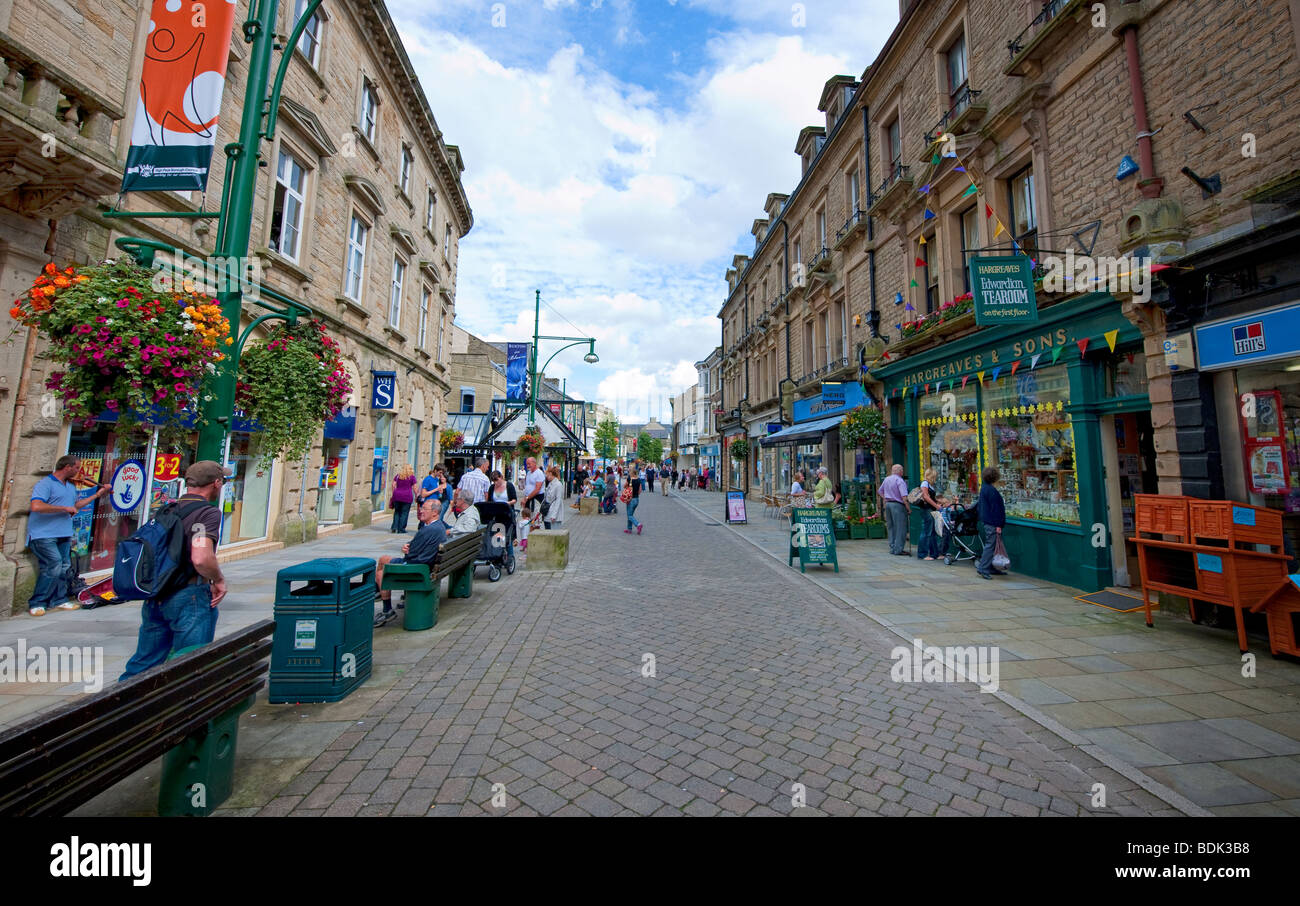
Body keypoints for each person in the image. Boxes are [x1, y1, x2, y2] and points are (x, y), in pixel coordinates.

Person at [120, 461, 228, 679]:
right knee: (190, 664)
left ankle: (118, 706)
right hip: (189, 596)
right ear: (216, 483)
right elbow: (200, 557)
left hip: (157, 594)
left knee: (144, 662)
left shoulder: (166, 509)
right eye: (222, 481)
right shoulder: (207, 513)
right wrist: (218, 579)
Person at [27, 455, 109, 616]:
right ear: (67, 467)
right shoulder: (45, 484)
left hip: (64, 532)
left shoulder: (70, 486)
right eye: (77, 468)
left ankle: (59, 599)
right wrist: (64, 509)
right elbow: (36, 505)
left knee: (64, 567)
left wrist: (97, 495)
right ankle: (37, 602)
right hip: (43, 534)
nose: (79, 471)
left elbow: (75, 506)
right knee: (53, 565)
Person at [373, 498, 446, 626]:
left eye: (424, 509)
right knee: (383, 559)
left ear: (434, 512)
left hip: (417, 569)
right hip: (424, 564)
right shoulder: (438, 526)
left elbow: (411, 555)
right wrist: (408, 546)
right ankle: (379, 591)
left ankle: (387, 609)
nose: (420, 511)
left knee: (381, 571)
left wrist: (407, 549)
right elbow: (413, 547)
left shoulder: (428, 530)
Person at [976, 467, 1007, 580]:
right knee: (991, 545)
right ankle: (983, 568)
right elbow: (996, 509)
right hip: (992, 522)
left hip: (987, 521)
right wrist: (999, 524)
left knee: (993, 545)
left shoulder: (984, 488)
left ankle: (991, 567)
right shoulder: (991, 491)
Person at [878, 463, 911, 556]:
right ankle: (898, 549)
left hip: (888, 505)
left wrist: (885, 498)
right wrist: (908, 508)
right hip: (898, 505)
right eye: (902, 471)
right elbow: (904, 497)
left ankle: (892, 547)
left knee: (891, 526)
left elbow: (880, 491)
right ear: (900, 472)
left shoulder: (887, 479)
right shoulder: (900, 481)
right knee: (900, 527)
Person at [917, 467, 948, 561]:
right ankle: (922, 554)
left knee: (932, 532)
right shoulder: (925, 483)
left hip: (931, 509)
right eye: (935, 476)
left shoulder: (929, 485)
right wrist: (937, 506)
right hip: (926, 510)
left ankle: (935, 553)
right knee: (926, 531)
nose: (936, 479)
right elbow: (926, 497)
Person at [390, 463, 417, 533]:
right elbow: (415, 488)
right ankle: (401, 529)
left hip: (397, 496)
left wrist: (394, 494)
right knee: (404, 513)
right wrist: (417, 496)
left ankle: (394, 527)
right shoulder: (412, 477)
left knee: (397, 512)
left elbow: (393, 485)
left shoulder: (398, 476)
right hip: (407, 497)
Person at [624, 461, 643, 535]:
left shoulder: (630, 479)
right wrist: (636, 494)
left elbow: (624, 486)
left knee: (629, 515)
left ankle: (638, 524)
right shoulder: (638, 480)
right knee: (630, 514)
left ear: (631, 473)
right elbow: (640, 490)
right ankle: (629, 529)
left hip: (630, 499)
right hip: (636, 499)